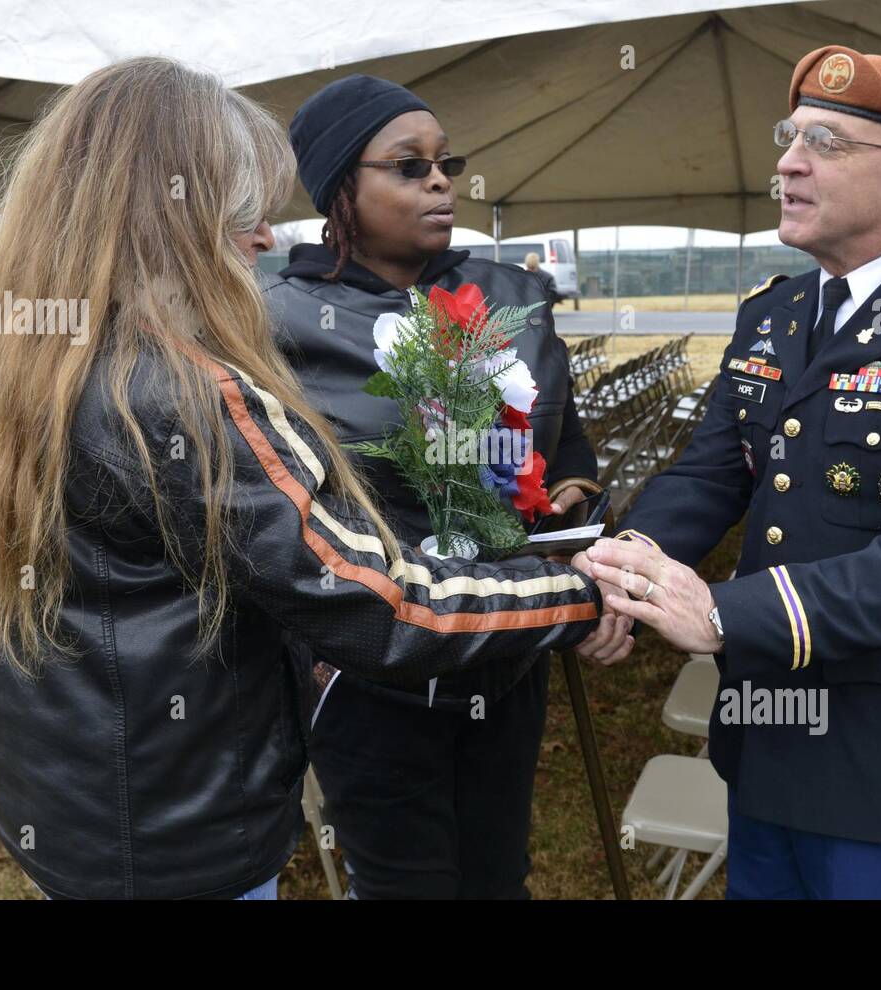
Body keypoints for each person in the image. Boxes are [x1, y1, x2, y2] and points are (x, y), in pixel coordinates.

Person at [0, 57, 622, 900]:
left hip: (79, 817)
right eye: (243, 213)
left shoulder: (35, 360)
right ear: (163, 215)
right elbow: (384, 610)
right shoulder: (179, 391)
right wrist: (578, 591)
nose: (262, 241)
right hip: (186, 836)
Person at [585, 45, 881, 899]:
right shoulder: (775, 311)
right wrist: (627, 567)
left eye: (827, 144)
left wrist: (718, 612)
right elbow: (710, 473)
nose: (787, 164)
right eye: (790, 137)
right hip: (763, 734)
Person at [262, 74, 630, 899]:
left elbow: (565, 440)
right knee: (407, 885)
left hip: (509, 646)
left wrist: (577, 522)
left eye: (445, 162)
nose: (439, 181)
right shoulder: (277, 321)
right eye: (407, 165)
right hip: (373, 666)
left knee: (498, 873)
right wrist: (319, 655)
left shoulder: (511, 297)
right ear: (339, 193)